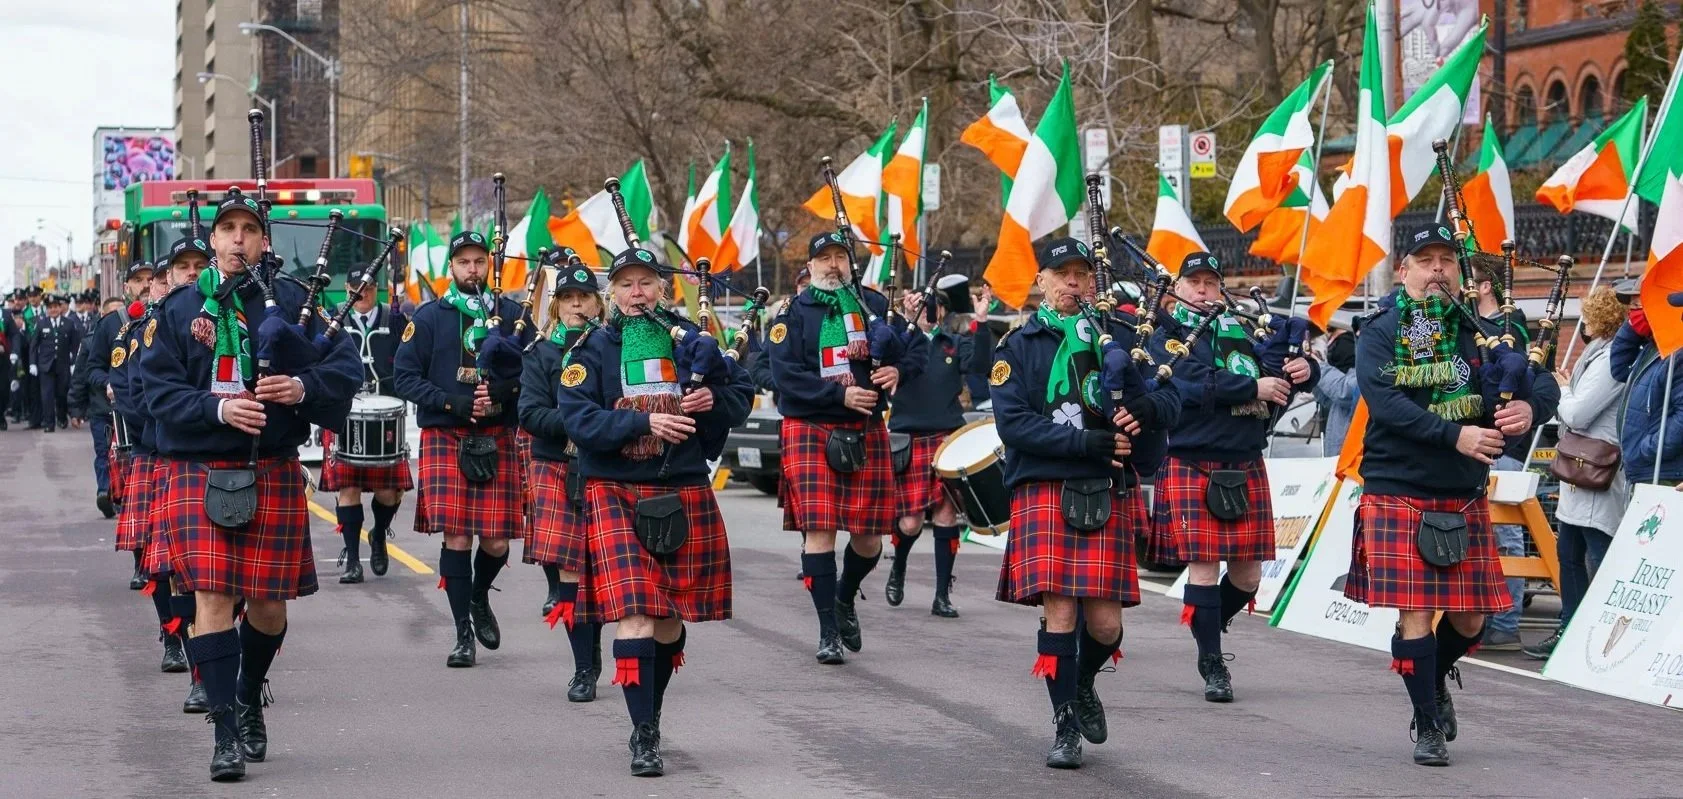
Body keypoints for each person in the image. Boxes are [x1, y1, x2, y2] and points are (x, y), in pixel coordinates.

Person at [143, 190, 362, 781]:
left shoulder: (295, 303)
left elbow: (346, 368)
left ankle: (248, 691)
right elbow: (157, 392)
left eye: (249, 229)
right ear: (212, 240)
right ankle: (223, 733)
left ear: (264, 241)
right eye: (228, 229)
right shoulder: (178, 309)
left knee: (267, 607)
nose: (238, 238)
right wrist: (217, 413)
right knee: (212, 598)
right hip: (200, 467)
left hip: (271, 465)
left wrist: (302, 388)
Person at [1344, 224, 1542, 767]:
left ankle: (1429, 681)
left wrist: (1528, 411)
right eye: (1425, 260)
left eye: (1446, 260)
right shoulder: (1381, 330)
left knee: (1472, 619)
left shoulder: (1479, 328)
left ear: (1459, 270)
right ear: (1402, 270)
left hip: (1461, 490)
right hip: (1399, 486)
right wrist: (1456, 433)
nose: (1437, 269)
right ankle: (1427, 724)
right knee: (1417, 614)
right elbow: (1386, 403)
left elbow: (1536, 378)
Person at [554, 247, 754, 776]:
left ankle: (652, 710)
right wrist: (643, 425)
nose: (636, 293)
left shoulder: (692, 340)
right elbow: (579, 421)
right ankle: (643, 733)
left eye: (646, 282)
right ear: (611, 295)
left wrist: (713, 402)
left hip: (683, 486)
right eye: (625, 284)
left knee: (668, 623)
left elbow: (740, 395)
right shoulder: (590, 350)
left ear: (663, 288)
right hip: (615, 491)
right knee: (636, 614)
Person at [992, 236, 1180, 768]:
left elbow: (1172, 397)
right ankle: (1064, 728)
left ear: (1092, 282)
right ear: (1042, 283)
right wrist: (1085, 442)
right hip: (1046, 485)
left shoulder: (1119, 336)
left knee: (1104, 627)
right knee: (1060, 611)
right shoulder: (1018, 345)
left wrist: (1139, 407)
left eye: (1081, 275)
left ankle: (1083, 682)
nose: (1073, 284)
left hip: (1107, 489)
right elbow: (1015, 424)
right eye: (1062, 275)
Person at [1149, 252, 1318, 703]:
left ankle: (1210, 623)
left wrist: (1304, 370)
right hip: (1194, 460)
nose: (1204, 291)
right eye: (1195, 283)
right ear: (1178, 289)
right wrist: (1250, 388)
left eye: (1210, 282)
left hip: (1244, 460)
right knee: (1203, 570)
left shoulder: (1237, 329)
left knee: (1247, 578)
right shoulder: (1164, 334)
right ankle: (1212, 661)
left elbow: (1271, 371)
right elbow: (1185, 383)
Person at [767, 231, 920, 664]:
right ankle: (828, 633)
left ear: (850, 262)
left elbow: (916, 352)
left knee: (870, 540)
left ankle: (844, 597)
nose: (833, 264)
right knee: (820, 533)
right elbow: (785, 376)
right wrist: (839, 395)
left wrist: (896, 370)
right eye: (824, 258)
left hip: (864, 428)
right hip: (811, 427)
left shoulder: (873, 306)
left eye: (840, 256)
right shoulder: (793, 313)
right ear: (811, 265)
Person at [394, 229, 533, 667]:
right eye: (464, 262)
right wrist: (451, 401)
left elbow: (536, 372)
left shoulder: (514, 315)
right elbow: (405, 377)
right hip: (446, 433)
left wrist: (504, 392)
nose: (472, 269)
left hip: (497, 434)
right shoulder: (430, 317)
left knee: (494, 543)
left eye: (479, 261)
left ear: (488, 265)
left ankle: (477, 597)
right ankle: (461, 634)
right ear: (450, 268)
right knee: (456, 535)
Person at [518, 256, 607, 702]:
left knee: (609, 567)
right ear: (555, 307)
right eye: (568, 298)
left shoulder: (614, 347)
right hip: (556, 465)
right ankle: (584, 667)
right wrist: (583, 421)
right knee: (573, 569)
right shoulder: (541, 354)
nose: (576, 305)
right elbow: (530, 413)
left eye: (584, 297)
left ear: (598, 303)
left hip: (610, 465)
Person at [1524, 285, 1629, 659]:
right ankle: (1570, 627)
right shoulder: (1599, 354)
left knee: (1597, 552)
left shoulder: (1611, 358)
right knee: (1568, 551)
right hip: (1581, 468)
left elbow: (1577, 413)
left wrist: (1562, 389)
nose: (1581, 324)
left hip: (1597, 467)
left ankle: (1597, 633)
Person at [1467, 261, 1562, 651]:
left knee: (1504, 536)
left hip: (1504, 449)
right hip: (1475, 446)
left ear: (1486, 285)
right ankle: (1486, 618)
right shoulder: (1471, 324)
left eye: (1470, 280)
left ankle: (1503, 623)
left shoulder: (1511, 330)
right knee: (1484, 537)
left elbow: (1539, 385)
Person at [884, 279, 971, 617]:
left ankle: (941, 595)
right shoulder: (902, 343)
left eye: (933, 304)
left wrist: (976, 320)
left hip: (948, 436)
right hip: (909, 435)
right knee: (909, 524)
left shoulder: (955, 342)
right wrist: (904, 316)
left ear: (943, 311)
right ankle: (899, 565)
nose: (927, 310)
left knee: (947, 515)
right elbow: (884, 353)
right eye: (922, 303)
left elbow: (978, 367)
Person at [320, 269, 412, 584]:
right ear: (346, 289)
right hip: (345, 410)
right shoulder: (333, 319)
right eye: (355, 290)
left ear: (376, 290)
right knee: (349, 488)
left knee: (389, 492)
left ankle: (378, 537)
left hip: (384, 411)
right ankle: (352, 561)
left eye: (368, 289)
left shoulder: (394, 318)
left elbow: (408, 357)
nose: (361, 295)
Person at [72, 289, 138, 517]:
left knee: (126, 453)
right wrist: (76, 409)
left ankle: (123, 495)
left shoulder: (139, 330)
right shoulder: (91, 341)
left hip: (127, 408)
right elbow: (83, 375)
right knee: (103, 453)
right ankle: (104, 491)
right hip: (101, 408)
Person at [1611, 278, 1683, 485]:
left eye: (1639, 306)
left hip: (1664, 471)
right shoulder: (1653, 348)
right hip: (1647, 469)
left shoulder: (1676, 354)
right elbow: (1619, 369)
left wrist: (1647, 449)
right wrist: (1633, 328)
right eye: (1632, 307)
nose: (1633, 312)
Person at [1314, 325, 1360, 456]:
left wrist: (1317, 366)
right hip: (1339, 446)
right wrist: (1310, 373)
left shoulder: (1375, 365)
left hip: (1357, 454)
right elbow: (1331, 401)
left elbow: (1346, 393)